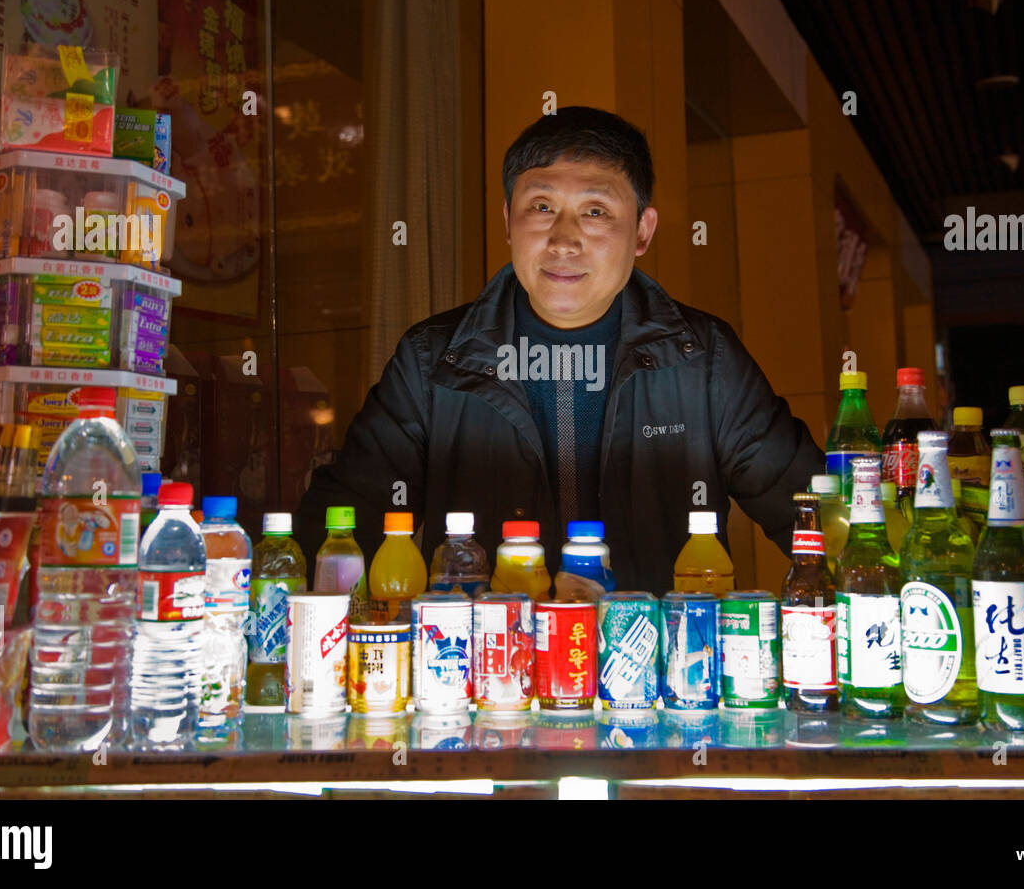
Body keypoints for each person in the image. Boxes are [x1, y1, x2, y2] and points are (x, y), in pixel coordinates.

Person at [296, 106, 824, 594]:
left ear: (642, 231)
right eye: (542, 206)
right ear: (507, 220)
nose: (564, 239)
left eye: (596, 211)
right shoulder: (434, 361)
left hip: (659, 678)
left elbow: (813, 515)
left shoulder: (701, 360)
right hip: (490, 677)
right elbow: (338, 532)